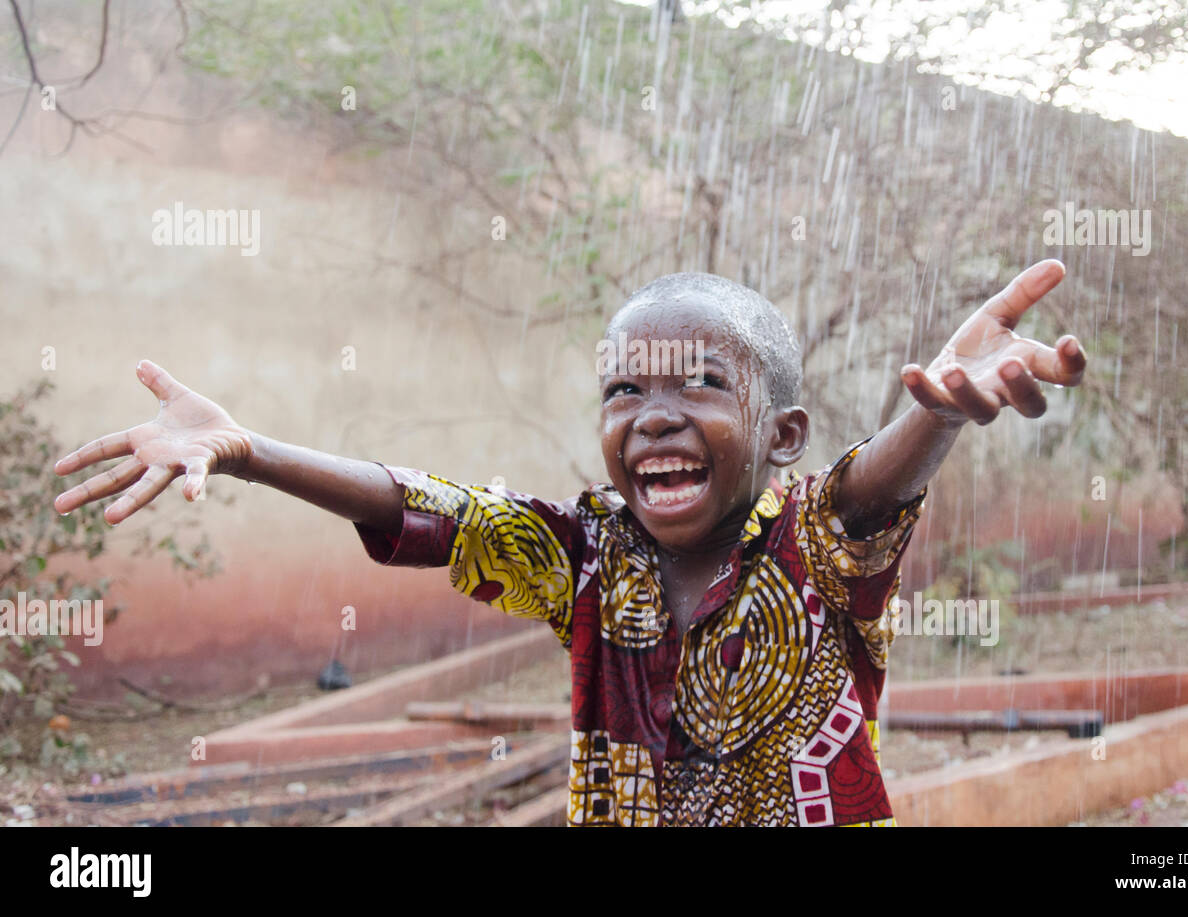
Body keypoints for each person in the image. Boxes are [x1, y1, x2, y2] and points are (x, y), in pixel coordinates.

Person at [53, 259, 1086, 826]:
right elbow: (430, 506)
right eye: (624, 388)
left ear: (781, 437)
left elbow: (869, 491)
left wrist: (941, 414)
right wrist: (248, 451)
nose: (654, 414)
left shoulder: (814, 542)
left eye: (700, 384)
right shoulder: (586, 556)